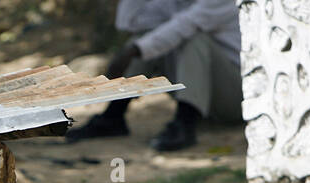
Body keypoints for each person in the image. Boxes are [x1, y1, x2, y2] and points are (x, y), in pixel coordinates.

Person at [66, 0, 241, 151]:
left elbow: (186, 25)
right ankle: (113, 116)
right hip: (208, 94)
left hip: (235, 98)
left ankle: (185, 124)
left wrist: (133, 51)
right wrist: (135, 48)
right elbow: (130, 22)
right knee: (146, 36)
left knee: (190, 38)